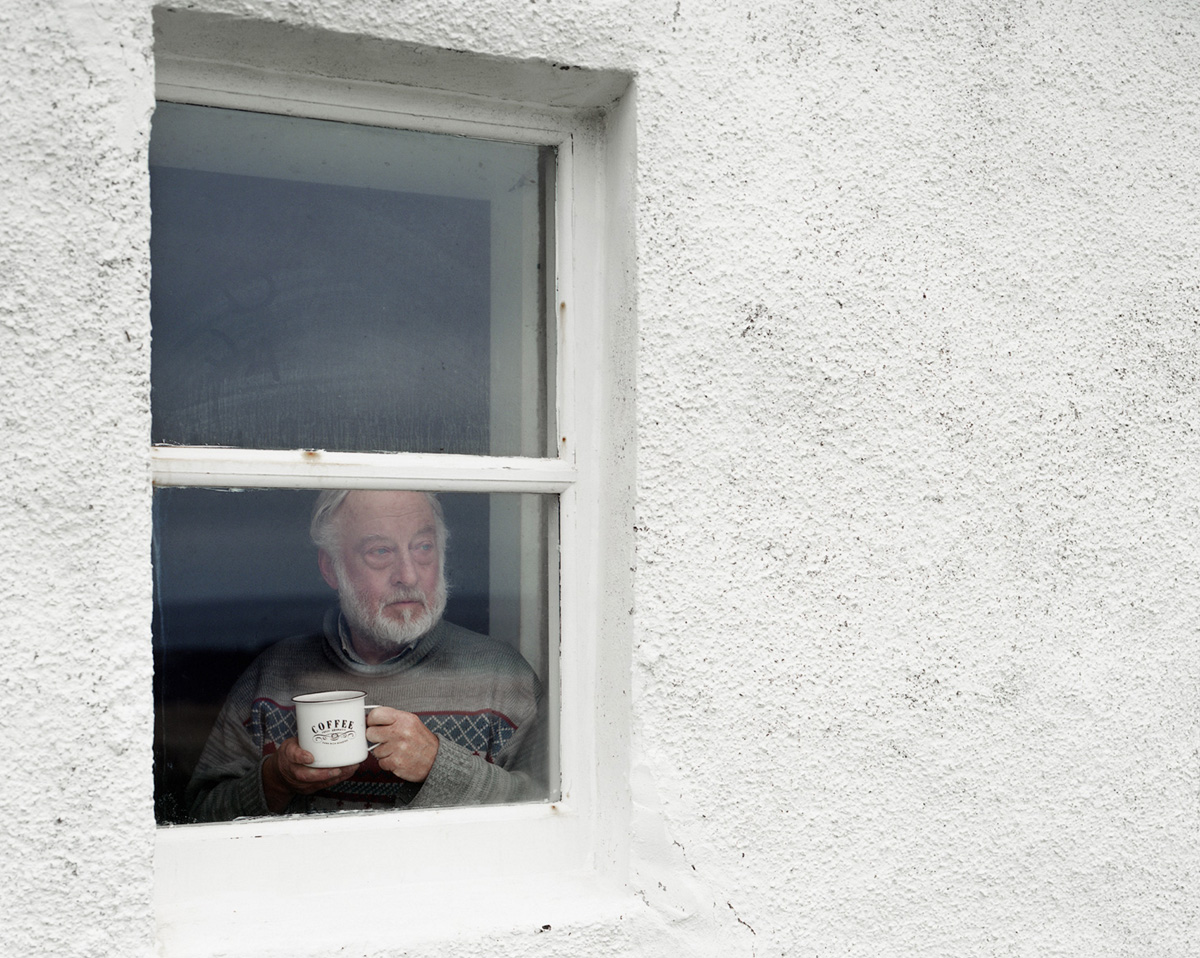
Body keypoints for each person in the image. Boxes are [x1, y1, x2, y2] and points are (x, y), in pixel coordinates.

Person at [186, 489, 546, 821]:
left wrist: (440, 767)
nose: (408, 575)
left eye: (423, 547)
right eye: (381, 552)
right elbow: (199, 816)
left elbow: (554, 814)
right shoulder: (273, 674)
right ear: (331, 568)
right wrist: (276, 781)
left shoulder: (502, 675)